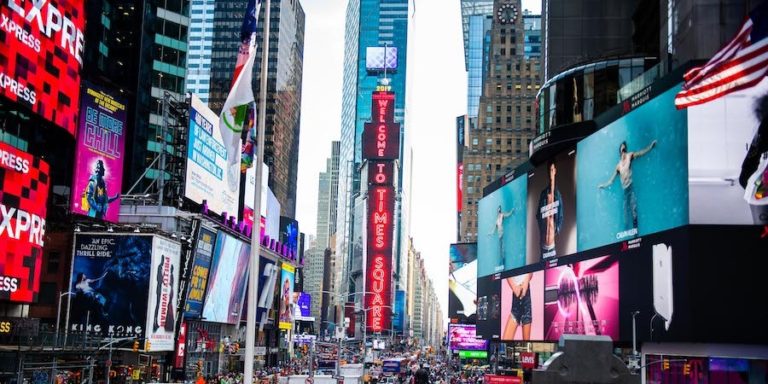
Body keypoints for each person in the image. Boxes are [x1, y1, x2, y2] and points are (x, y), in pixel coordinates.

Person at [599, 140, 657, 230]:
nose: (623, 149)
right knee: (625, 215)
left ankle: (635, 233)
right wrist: (603, 185)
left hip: (631, 187)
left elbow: (641, 153)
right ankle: (626, 233)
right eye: (622, 148)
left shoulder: (630, 156)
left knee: (634, 211)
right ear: (619, 151)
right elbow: (611, 180)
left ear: (625, 149)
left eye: (624, 147)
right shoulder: (618, 166)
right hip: (625, 191)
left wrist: (650, 147)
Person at [537, 161, 563, 258]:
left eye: (552, 170)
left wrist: (555, 231)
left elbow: (560, 217)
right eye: (549, 170)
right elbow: (538, 215)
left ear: (555, 171)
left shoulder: (558, 195)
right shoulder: (543, 194)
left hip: (552, 248)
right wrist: (542, 231)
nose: (550, 173)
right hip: (543, 247)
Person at [503, 273, 533, 340]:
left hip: (526, 297)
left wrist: (525, 283)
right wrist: (514, 287)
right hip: (517, 297)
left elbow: (530, 274)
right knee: (504, 344)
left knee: (526, 347)